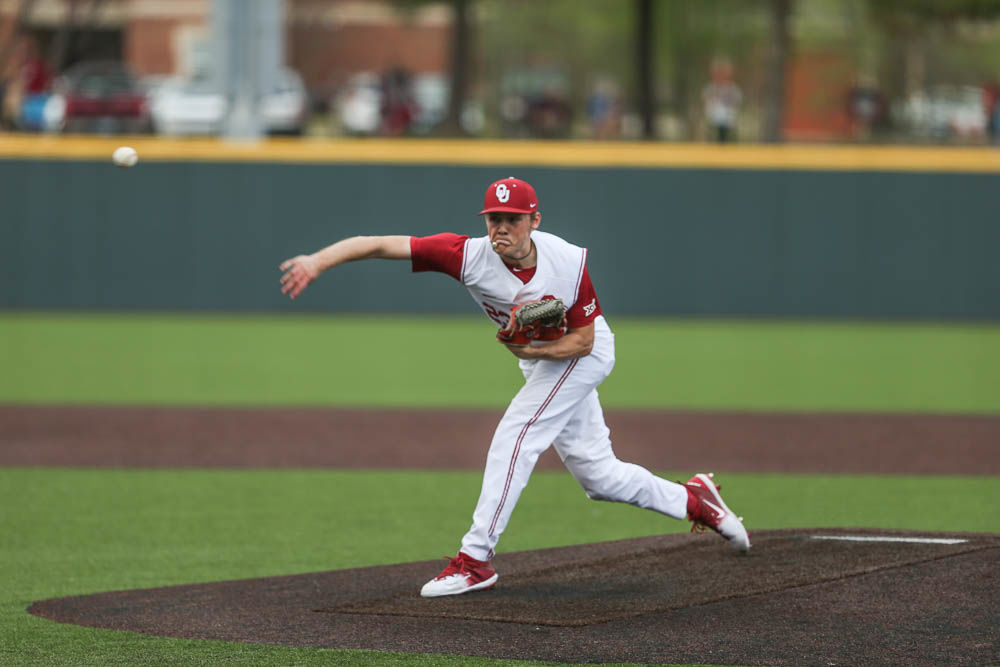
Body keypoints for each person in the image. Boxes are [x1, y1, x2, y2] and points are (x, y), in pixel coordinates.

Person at [279, 177, 750, 598]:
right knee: (599, 477)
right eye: (494, 219)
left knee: (516, 436)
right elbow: (380, 244)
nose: (501, 228)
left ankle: (475, 559)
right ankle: (694, 499)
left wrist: (531, 353)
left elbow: (584, 340)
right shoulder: (467, 256)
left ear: (534, 220)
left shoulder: (566, 260)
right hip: (544, 362)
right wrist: (317, 261)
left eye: (512, 219)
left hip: (582, 353)